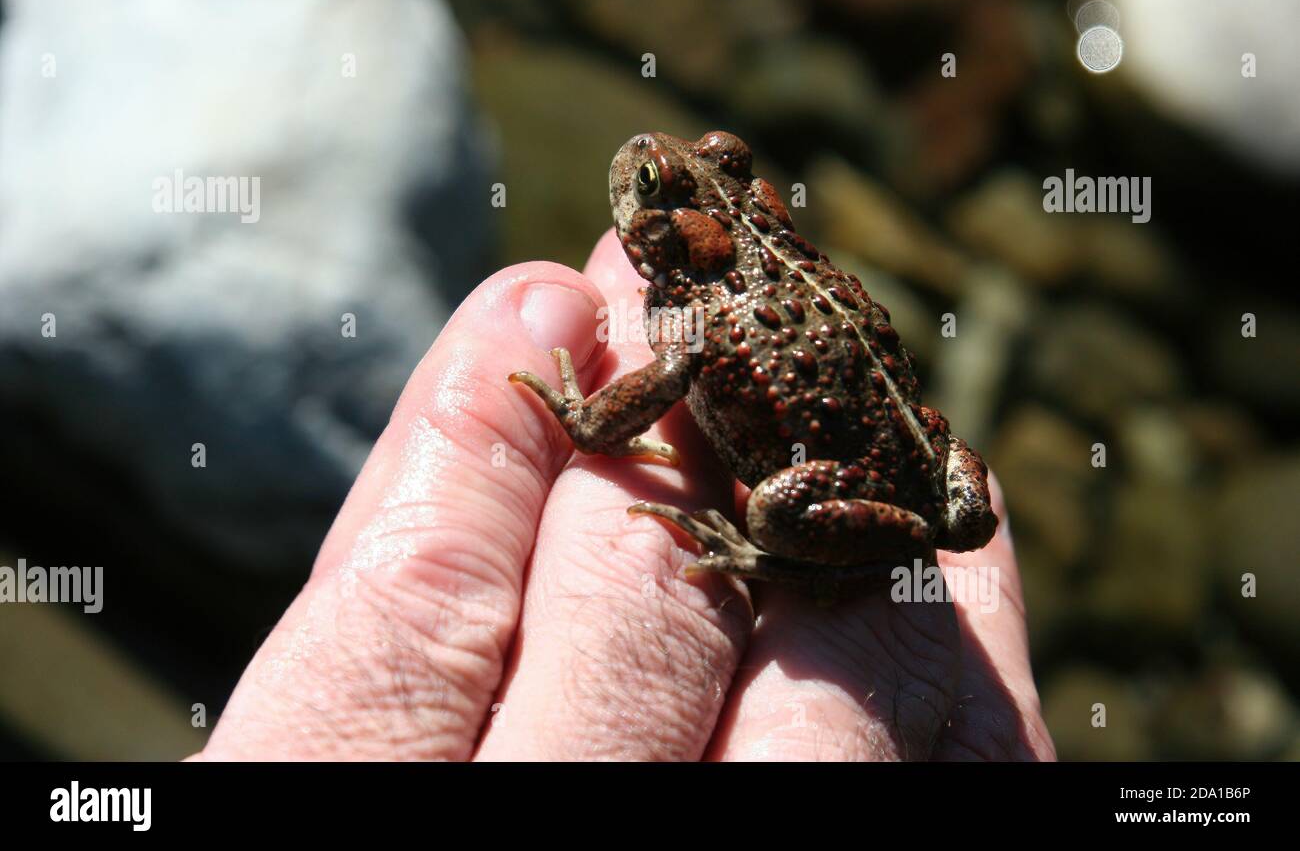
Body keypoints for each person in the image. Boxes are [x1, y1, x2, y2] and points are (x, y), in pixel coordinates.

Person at [194, 231, 1055, 761]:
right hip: (910, 454)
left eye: (651, 191)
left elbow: (659, 380)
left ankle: (787, 553)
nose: (640, 169)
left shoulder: (694, 308)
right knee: (949, 507)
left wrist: (586, 419)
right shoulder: (749, 278)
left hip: (829, 476)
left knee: (767, 510)